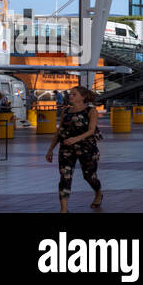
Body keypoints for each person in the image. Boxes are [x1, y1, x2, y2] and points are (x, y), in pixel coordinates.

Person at [46, 84, 103, 212]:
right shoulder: (66, 111)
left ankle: (98, 193)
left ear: (83, 97)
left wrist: (75, 139)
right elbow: (59, 131)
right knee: (65, 177)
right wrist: (50, 149)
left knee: (89, 176)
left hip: (87, 148)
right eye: (70, 94)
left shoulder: (91, 111)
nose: (70, 96)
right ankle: (64, 209)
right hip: (66, 149)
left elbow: (91, 131)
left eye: (74, 94)